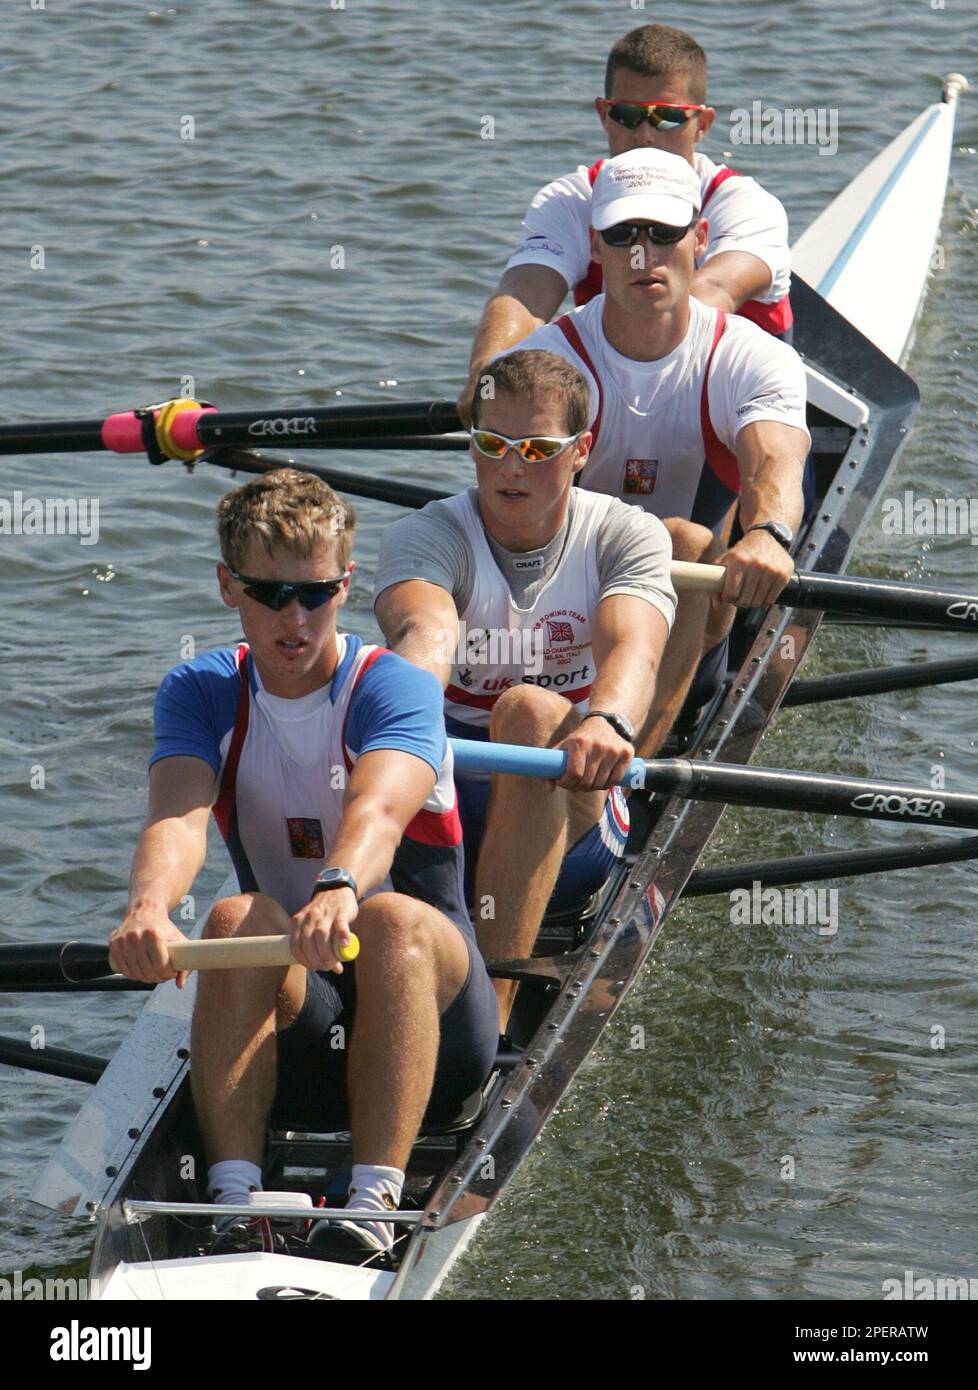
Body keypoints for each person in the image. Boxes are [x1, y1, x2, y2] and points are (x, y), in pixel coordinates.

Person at [108, 468, 498, 1261]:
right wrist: (148, 909)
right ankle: (232, 1199)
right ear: (227, 586)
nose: (294, 619)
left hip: (442, 1022)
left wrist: (339, 885)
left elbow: (378, 811)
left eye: (316, 595)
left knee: (386, 919)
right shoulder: (200, 690)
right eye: (269, 592)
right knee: (232, 918)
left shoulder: (391, 688)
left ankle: (373, 1204)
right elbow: (179, 818)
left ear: (345, 587)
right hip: (304, 1014)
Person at [374, 351, 676, 1027]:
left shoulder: (625, 536)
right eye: (492, 444)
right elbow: (425, 630)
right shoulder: (427, 536)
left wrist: (611, 724)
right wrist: (404, 715)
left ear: (582, 451)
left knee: (530, 711)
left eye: (538, 449)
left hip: (576, 814)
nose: (511, 468)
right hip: (448, 805)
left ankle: (490, 1015)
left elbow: (635, 648)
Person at [494, 148, 811, 756]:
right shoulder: (545, 363)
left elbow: (775, 458)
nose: (643, 254)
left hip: (700, 604)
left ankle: (625, 765)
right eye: (622, 235)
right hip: (568, 605)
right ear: (594, 245)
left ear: (700, 237)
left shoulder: (751, 355)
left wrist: (769, 531)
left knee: (683, 540)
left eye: (664, 233)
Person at [458, 22, 793, 422]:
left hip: (726, 411)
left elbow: (710, 292)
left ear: (702, 124)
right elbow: (526, 297)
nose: (646, 135)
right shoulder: (570, 200)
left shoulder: (745, 204)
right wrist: (489, 376)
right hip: (615, 403)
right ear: (604, 114)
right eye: (628, 115)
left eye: (668, 118)